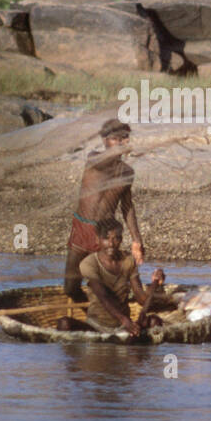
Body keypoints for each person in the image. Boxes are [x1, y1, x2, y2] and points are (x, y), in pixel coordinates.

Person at [63, 118, 145, 302]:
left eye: (124, 138)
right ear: (104, 140)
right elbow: (105, 161)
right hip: (82, 229)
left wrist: (136, 240)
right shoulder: (94, 159)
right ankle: (91, 314)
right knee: (70, 288)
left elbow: (127, 207)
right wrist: (118, 151)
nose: (121, 142)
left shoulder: (127, 172)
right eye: (115, 139)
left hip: (106, 234)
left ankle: (107, 316)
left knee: (104, 286)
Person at [58, 218, 166, 336]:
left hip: (122, 326)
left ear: (121, 240)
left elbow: (141, 298)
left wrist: (154, 283)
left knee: (155, 321)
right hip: (96, 326)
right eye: (106, 238)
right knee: (64, 324)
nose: (111, 244)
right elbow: (103, 295)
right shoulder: (89, 263)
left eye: (116, 238)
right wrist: (124, 320)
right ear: (97, 240)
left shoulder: (128, 260)